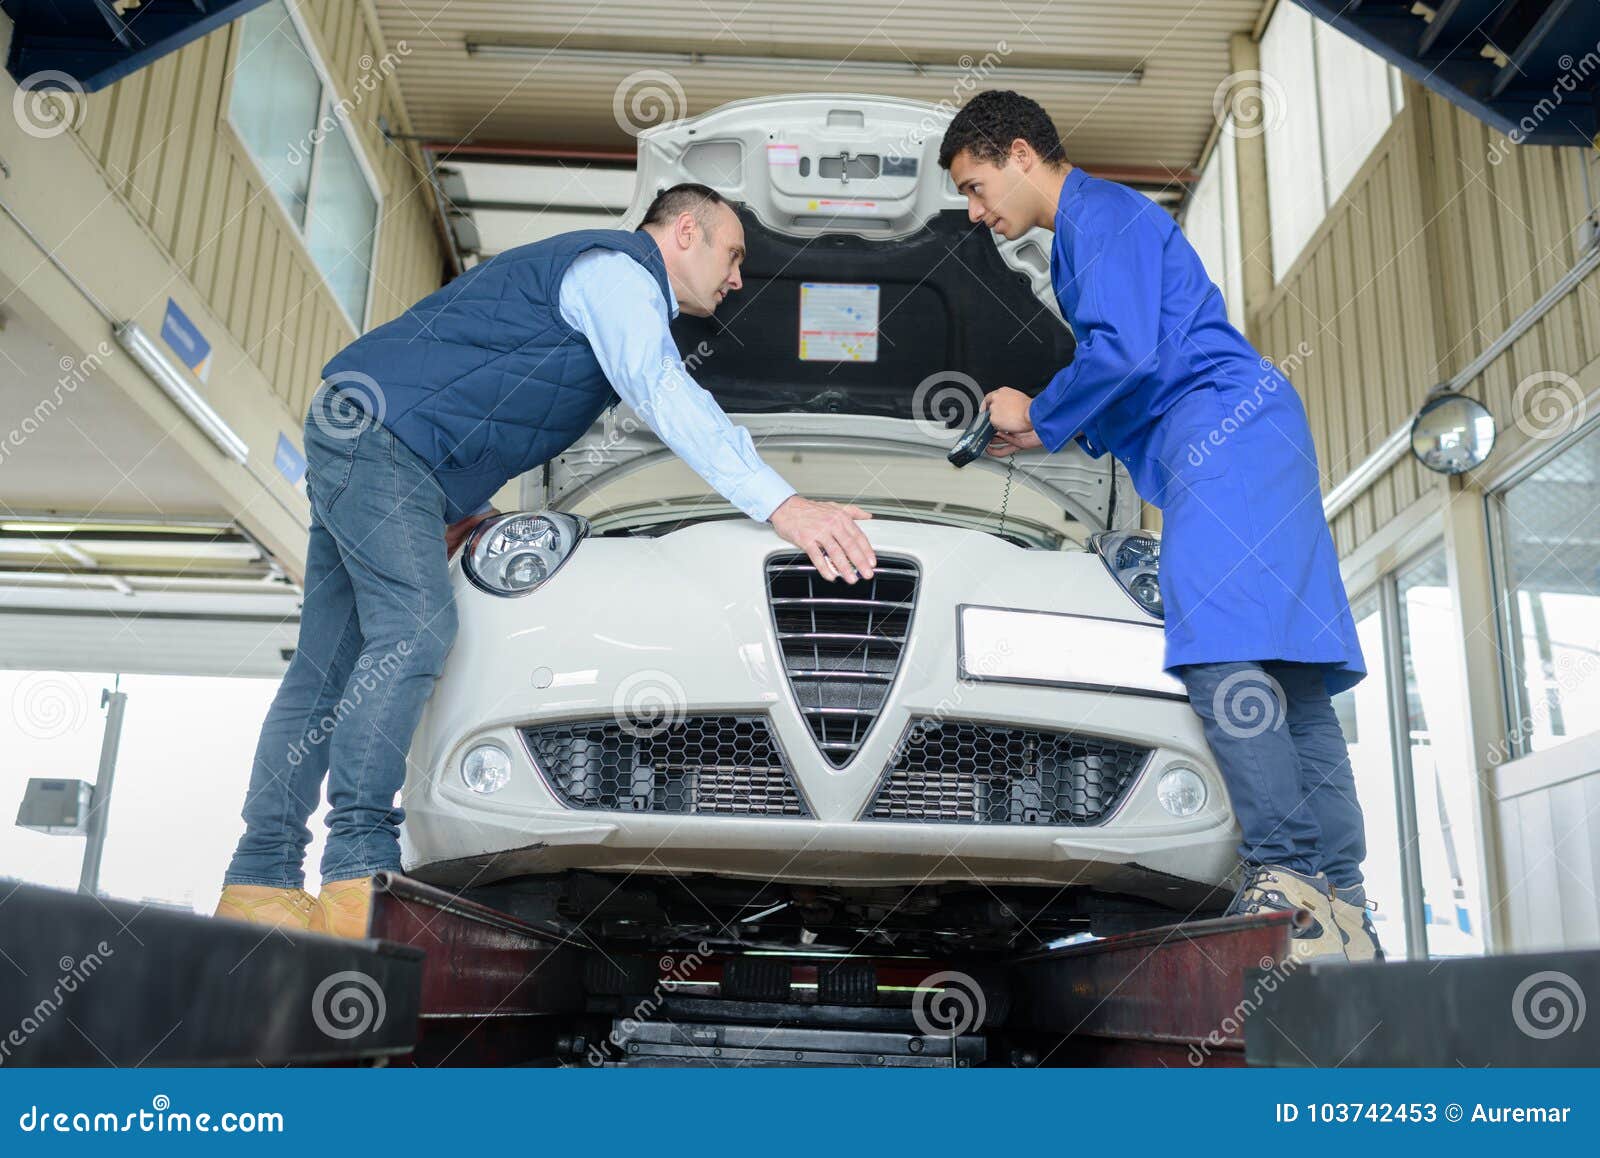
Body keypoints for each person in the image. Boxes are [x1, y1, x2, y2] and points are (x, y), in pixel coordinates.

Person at [215, 183, 875, 937]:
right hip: (382, 442)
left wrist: (465, 511)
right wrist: (784, 505)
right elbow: (661, 389)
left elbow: (472, 378)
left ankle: (258, 880)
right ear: (686, 230)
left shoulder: (599, 284)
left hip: (372, 432)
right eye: (732, 255)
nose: (737, 278)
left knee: (325, 666)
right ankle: (357, 867)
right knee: (416, 630)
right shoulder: (618, 274)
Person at [939, 92, 1380, 961]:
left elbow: (1128, 355)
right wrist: (1037, 429)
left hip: (1221, 437)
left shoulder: (1094, 219)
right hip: (1246, 435)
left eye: (977, 185)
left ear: (1022, 153)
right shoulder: (1097, 233)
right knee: (1289, 677)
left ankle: (1287, 882)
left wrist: (1041, 403)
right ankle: (1343, 904)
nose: (975, 211)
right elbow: (1139, 371)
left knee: (1219, 654)